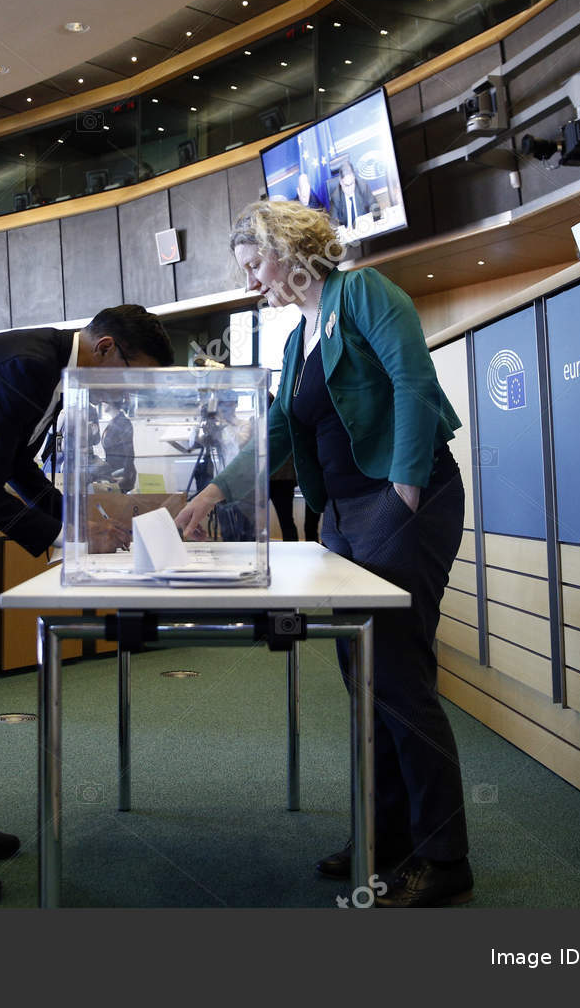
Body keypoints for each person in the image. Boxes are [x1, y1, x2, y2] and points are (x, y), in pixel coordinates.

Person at [175, 200, 473, 907]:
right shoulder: (294, 339)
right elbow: (276, 432)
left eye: (254, 265)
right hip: (340, 517)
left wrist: (402, 489)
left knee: (399, 678)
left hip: (404, 502)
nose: (252, 283)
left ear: (288, 248)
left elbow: (413, 383)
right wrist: (211, 495)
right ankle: (387, 837)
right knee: (364, 678)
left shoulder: (361, 292)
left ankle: (445, 857)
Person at [0, 305, 173, 903]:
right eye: (132, 378)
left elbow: (15, 464)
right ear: (103, 349)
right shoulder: (25, 365)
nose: (128, 395)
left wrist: (82, 519)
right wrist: (66, 539)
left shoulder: (48, 367)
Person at [328, 160, 378, 235]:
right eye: (346, 185)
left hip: (366, 231)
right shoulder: (335, 197)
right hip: (349, 236)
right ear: (341, 182)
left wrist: (369, 223)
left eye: (352, 184)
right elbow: (333, 224)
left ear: (354, 178)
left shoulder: (363, 186)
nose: (350, 189)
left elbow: (375, 209)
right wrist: (343, 231)